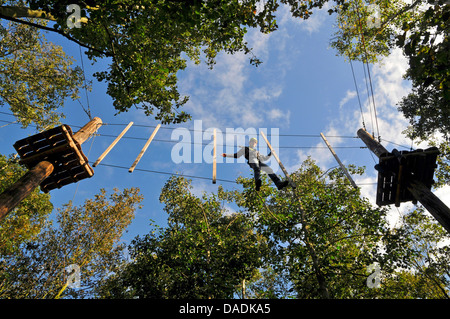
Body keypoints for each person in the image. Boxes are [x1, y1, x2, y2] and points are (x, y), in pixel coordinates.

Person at [222, 137, 289, 191]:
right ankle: (257, 182)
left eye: (255, 142)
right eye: (252, 141)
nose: (254, 143)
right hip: (252, 161)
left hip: (259, 162)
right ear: (250, 142)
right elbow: (237, 155)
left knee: (269, 170)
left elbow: (265, 158)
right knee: (257, 168)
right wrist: (227, 155)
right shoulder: (245, 148)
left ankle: (278, 183)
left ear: (256, 144)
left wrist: (271, 153)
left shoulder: (257, 152)